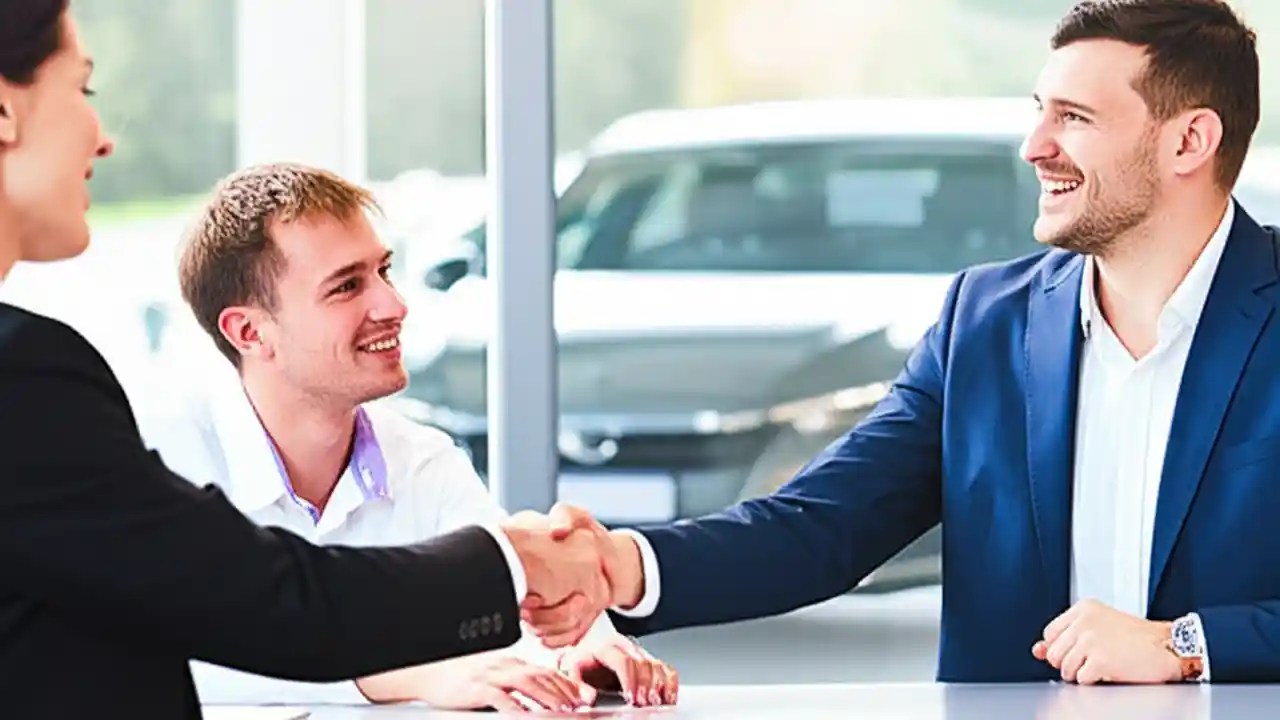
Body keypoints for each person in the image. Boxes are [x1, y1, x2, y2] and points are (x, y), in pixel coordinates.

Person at [529, 0, 1280, 685]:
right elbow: (825, 523)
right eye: (1039, 112)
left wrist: (1186, 645)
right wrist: (618, 565)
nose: (1034, 146)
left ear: (1190, 140)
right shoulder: (984, 322)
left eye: (1075, 118)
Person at [0, 3, 620, 717]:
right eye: (84, 90)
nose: (103, 139)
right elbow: (258, 606)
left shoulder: (418, 454)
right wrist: (513, 559)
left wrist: (568, 637)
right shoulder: (29, 381)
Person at [139, 162, 678, 711]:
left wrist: (580, 650)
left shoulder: (423, 459)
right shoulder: (160, 462)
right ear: (250, 332)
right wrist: (406, 676)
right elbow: (172, 654)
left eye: (384, 272)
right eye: (347, 286)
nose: (394, 306)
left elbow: (514, 605)